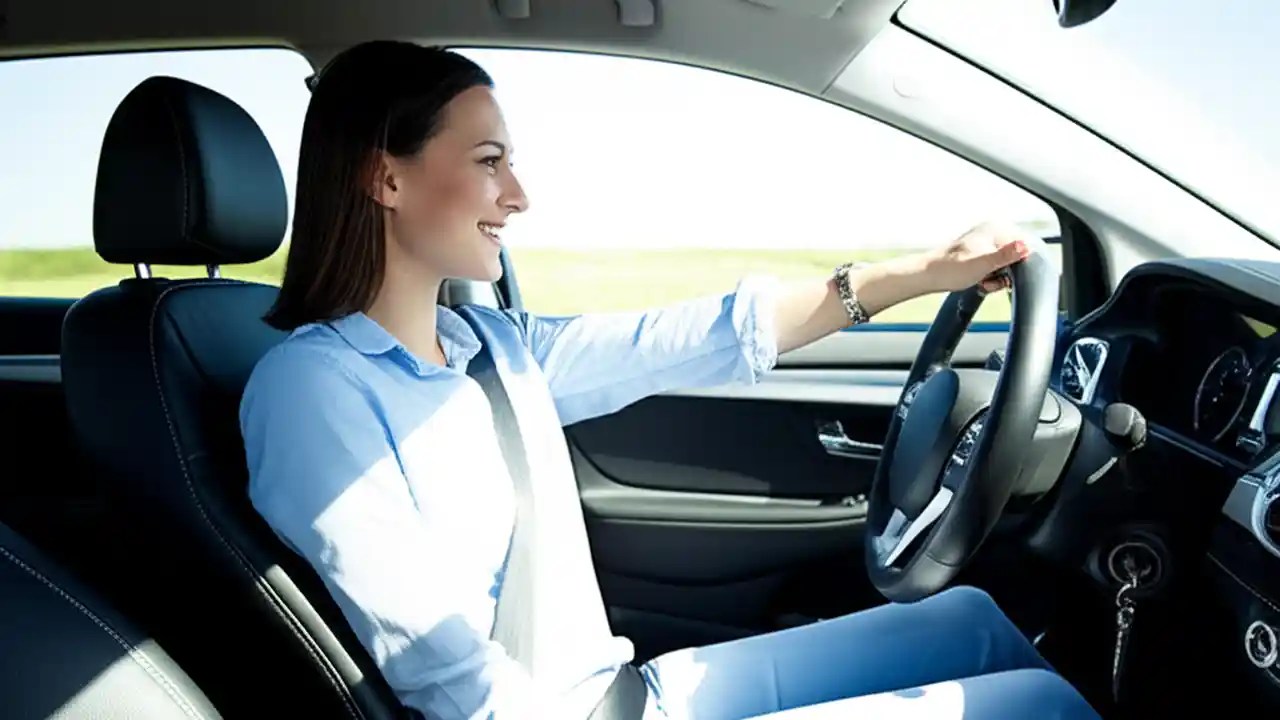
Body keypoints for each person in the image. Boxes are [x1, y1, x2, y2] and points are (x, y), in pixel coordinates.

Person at [239, 40, 1099, 720]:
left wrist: (927, 272)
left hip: (625, 696)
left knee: (974, 624)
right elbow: (441, 667)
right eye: (491, 160)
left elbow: (702, 336)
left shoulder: (494, 346)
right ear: (387, 177)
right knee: (1038, 707)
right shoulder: (312, 391)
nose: (520, 195)